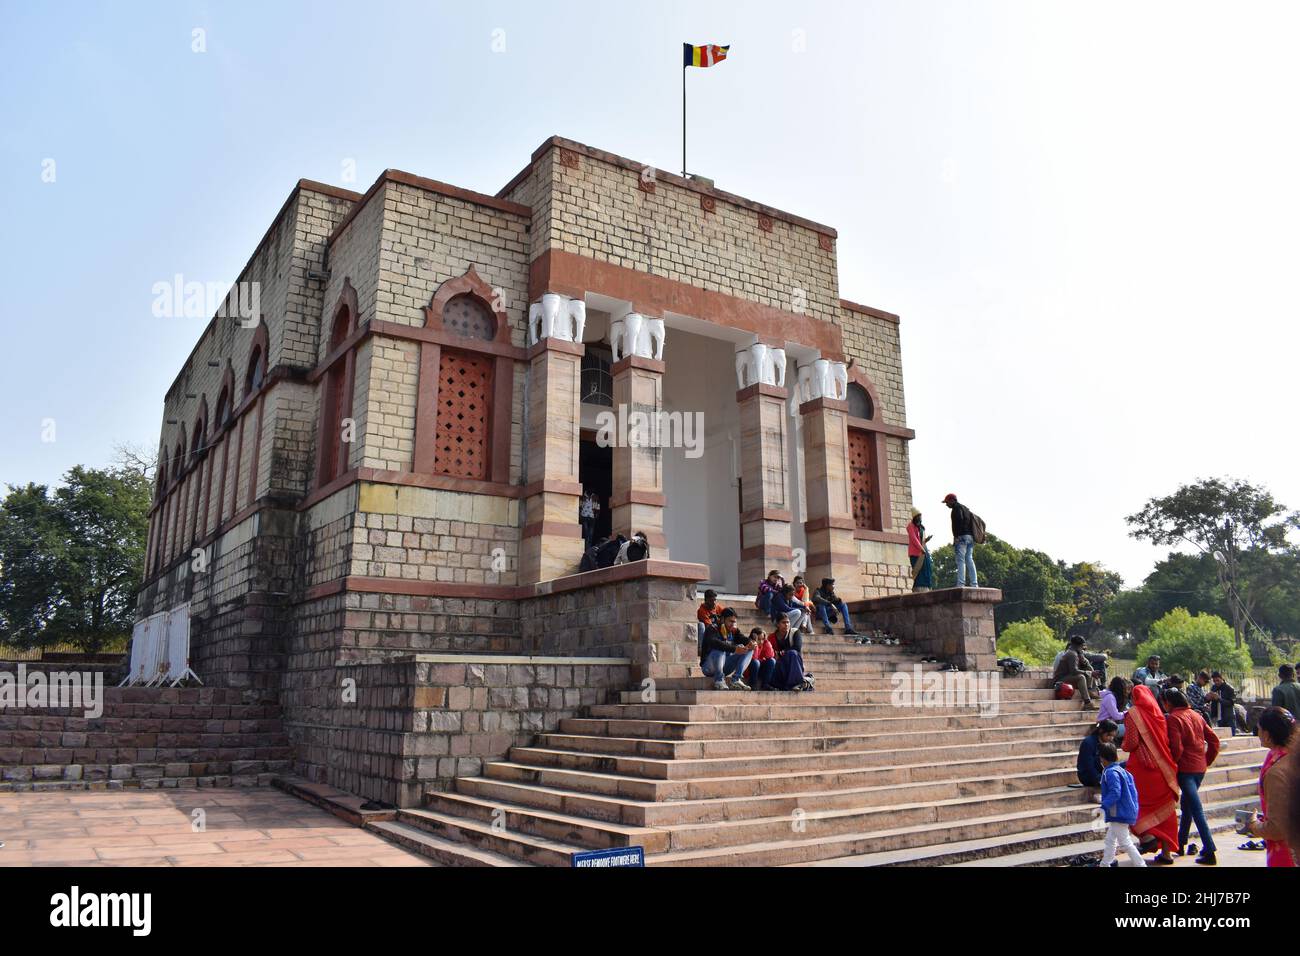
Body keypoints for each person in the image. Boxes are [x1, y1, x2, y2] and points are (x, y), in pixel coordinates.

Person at [1121, 684, 1181, 864]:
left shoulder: (1133, 713)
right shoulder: (1160, 715)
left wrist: (1122, 746)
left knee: (1134, 805)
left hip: (1142, 770)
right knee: (1167, 813)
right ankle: (1167, 853)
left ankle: (1147, 838)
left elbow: (1131, 743)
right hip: (1163, 769)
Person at [1164, 687, 1220, 865]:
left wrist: (1172, 766)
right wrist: (1206, 760)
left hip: (1186, 769)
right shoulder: (1197, 715)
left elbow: (1177, 748)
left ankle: (1210, 849)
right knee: (1188, 806)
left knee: (1196, 809)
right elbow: (1214, 741)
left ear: (1169, 703)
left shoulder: (1174, 718)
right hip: (1199, 767)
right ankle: (1180, 843)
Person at [1245, 707, 1299, 867]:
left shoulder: (1278, 771)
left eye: (1260, 729)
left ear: (1267, 735)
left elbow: (1277, 829)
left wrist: (1255, 825)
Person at [1097, 742, 1147, 868]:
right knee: (1110, 840)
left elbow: (1115, 792)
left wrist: (1103, 805)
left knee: (1125, 843)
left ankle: (1141, 864)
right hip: (1124, 811)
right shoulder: (1122, 771)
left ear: (1103, 758)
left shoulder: (1110, 773)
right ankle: (1105, 863)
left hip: (1118, 812)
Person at [698, 608, 756, 691]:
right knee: (719, 648)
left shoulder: (733, 631)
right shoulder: (712, 628)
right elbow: (714, 642)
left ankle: (736, 680)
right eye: (730, 621)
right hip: (709, 667)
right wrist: (734, 649)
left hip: (725, 667)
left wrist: (751, 642)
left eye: (734, 622)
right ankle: (719, 680)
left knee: (748, 649)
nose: (732, 624)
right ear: (722, 619)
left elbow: (743, 638)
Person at [942, 493, 978, 587]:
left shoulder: (956, 509)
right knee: (969, 559)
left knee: (960, 560)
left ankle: (961, 583)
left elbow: (959, 521)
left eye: (947, 502)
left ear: (952, 500)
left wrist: (956, 536)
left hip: (962, 537)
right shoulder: (965, 508)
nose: (946, 505)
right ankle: (974, 583)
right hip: (970, 537)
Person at [1052, 636, 1098, 709]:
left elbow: (1084, 667)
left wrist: (1084, 661)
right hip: (1060, 680)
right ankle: (1087, 703)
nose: (1083, 648)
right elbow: (1074, 671)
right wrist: (1090, 673)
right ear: (1078, 645)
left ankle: (1089, 690)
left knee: (1089, 668)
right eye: (1082, 646)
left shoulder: (1076, 653)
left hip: (1068, 677)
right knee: (1081, 677)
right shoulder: (1072, 654)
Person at [766, 616, 808, 691]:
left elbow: (797, 647)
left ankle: (796, 683)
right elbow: (769, 653)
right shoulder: (771, 637)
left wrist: (783, 652)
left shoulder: (795, 632)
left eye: (788, 622)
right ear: (778, 624)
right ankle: (794, 684)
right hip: (779, 664)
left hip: (794, 662)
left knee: (792, 653)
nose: (786, 624)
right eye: (783, 622)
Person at [1076, 719, 1118, 790]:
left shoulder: (1110, 743)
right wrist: (1100, 779)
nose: (1111, 738)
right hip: (1087, 775)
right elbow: (1089, 766)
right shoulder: (1088, 743)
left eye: (1113, 736)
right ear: (1101, 731)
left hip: (1102, 773)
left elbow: (1112, 761)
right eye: (1109, 735)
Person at [907, 507, 934, 593]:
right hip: (915, 553)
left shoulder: (921, 527)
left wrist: (926, 540)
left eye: (920, 515)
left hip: (923, 552)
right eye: (918, 516)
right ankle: (918, 588)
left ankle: (926, 587)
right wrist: (921, 548)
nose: (920, 517)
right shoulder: (910, 526)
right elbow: (914, 539)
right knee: (918, 572)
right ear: (915, 517)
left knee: (926, 570)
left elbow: (920, 540)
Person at [1098, 677, 1130, 742]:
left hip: (1111, 723)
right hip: (1106, 725)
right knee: (1132, 729)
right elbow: (1116, 716)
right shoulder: (1110, 697)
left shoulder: (1113, 696)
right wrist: (1128, 712)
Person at [1206, 672, 1238, 736]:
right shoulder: (1214, 688)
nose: (1216, 682)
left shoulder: (1229, 688)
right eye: (1214, 681)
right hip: (1218, 717)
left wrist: (1219, 699)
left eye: (1218, 680)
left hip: (1228, 716)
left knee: (1231, 735)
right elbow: (1211, 701)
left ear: (1222, 679)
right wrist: (1208, 698)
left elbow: (1231, 703)